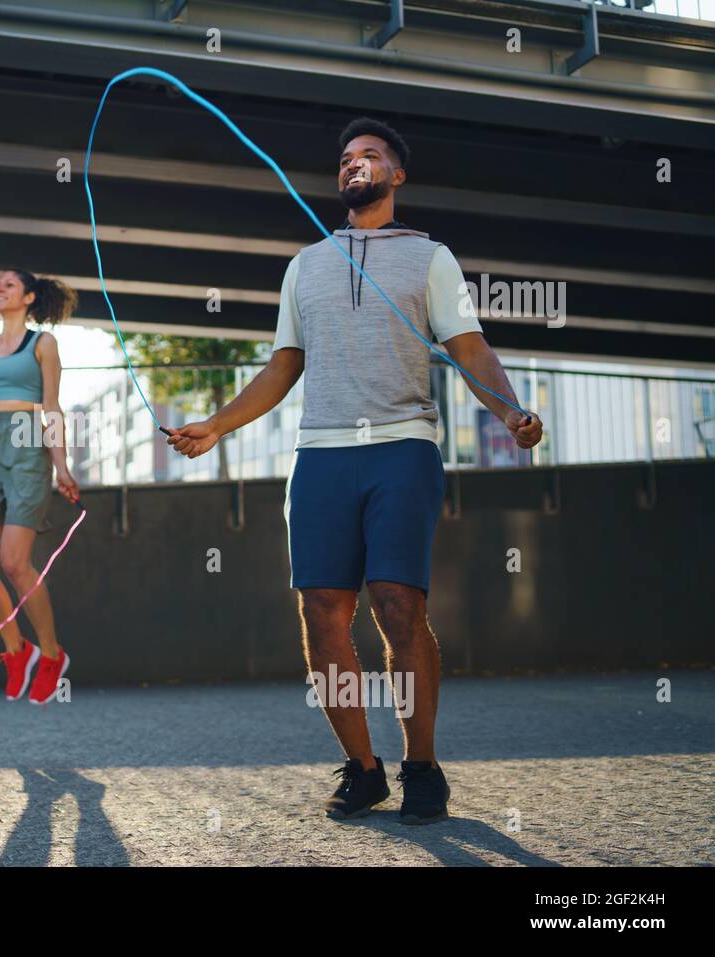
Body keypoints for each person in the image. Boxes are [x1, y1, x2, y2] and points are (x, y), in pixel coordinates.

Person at [167, 118, 543, 824]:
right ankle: (364, 770)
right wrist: (215, 427)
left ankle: (422, 767)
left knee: (400, 605)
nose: (355, 164)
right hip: (321, 456)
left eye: (370, 155)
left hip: (403, 446)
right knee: (321, 614)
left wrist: (511, 412)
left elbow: (470, 347)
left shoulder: (431, 258)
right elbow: (283, 367)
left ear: (396, 175)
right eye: (345, 158)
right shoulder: (304, 263)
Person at [0, 269, 82, 706]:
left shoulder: (42, 344)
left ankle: (50, 653)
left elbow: (52, 407)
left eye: (9, 284)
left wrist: (62, 465)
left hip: (26, 449)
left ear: (28, 297)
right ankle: (15, 649)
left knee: (14, 562)